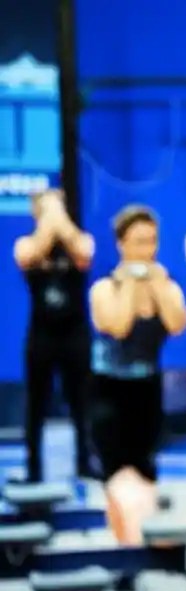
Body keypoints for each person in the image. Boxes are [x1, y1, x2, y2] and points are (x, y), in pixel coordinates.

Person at [88, 205, 186, 545]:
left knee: (145, 469)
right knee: (117, 474)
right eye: (138, 242)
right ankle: (123, 544)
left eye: (152, 241)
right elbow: (117, 326)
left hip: (147, 389)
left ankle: (141, 539)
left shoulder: (166, 285)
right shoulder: (104, 288)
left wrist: (157, 285)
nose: (147, 250)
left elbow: (177, 324)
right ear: (122, 244)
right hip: (108, 391)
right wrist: (131, 282)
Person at [15, 189, 95, 483]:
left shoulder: (79, 240)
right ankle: (34, 467)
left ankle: (85, 461)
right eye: (48, 210)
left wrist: (59, 218)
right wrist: (50, 219)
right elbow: (28, 257)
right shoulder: (26, 244)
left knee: (81, 401)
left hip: (75, 334)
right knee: (36, 403)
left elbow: (84, 255)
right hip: (42, 335)